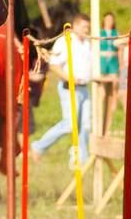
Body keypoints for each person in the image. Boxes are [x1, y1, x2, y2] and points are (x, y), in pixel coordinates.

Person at [32, 13, 92, 166]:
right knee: (70, 124)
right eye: (84, 27)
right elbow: (54, 65)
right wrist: (69, 78)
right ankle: (39, 146)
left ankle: (80, 159)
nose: (87, 30)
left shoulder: (87, 42)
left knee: (85, 125)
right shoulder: (65, 41)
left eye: (88, 27)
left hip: (84, 88)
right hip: (69, 87)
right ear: (76, 25)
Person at [100, 11, 119, 78]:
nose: (109, 21)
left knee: (114, 81)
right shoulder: (100, 33)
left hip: (113, 60)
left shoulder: (116, 33)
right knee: (101, 81)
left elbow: (120, 48)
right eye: (107, 19)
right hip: (102, 60)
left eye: (111, 20)